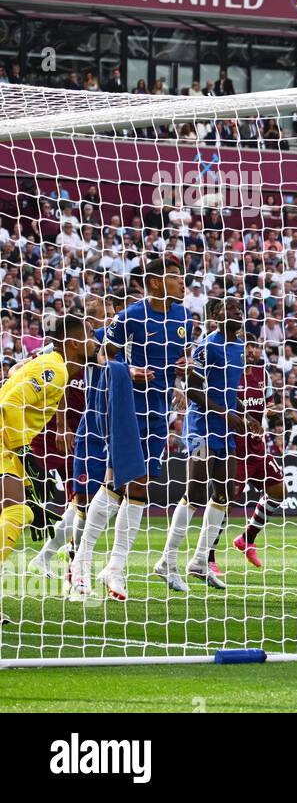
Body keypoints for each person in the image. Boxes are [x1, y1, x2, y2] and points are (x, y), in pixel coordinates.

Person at [72, 257, 188, 602]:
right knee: (115, 482)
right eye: (175, 277)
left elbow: (179, 358)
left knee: (140, 489)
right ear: (155, 283)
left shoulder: (183, 317)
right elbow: (102, 355)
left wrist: (182, 374)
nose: (183, 283)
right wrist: (130, 369)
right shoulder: (130, 316)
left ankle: (116, 568)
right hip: (127, 409)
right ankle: (81, 565)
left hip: (158, 411)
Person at [154, 296, 248, 592]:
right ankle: (166, 562)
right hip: (202, 427)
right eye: (228, 309)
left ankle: (198, 562)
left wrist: (242, 413)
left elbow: (228, 391)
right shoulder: (206, 346)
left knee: (224, 494)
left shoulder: (240, 347)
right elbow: (193, 389)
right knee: (195, 491)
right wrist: (228, 415)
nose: (236, 312)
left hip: (225, 429)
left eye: (238, 308)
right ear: (215, 317)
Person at [0, 317, 95, 584]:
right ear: (75, 344)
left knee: (22, 511)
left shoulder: (53, 367)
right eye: (90, 335)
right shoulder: (55, 370)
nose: (96, 341)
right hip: (7, 445)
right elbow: (9, 405)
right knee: (19, 512)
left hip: (8, 445)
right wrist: (24, 455)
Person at [230, 339, 287, 568]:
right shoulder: (231, 373)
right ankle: (208, 557)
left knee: (279, 491)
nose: (252, 351)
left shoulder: (263, 375)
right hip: (235, 446)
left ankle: (247, 538)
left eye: (256, 347)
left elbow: (269, 404)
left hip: (258, 446)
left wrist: (272, 411)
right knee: (227, 500)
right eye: (248, 346)